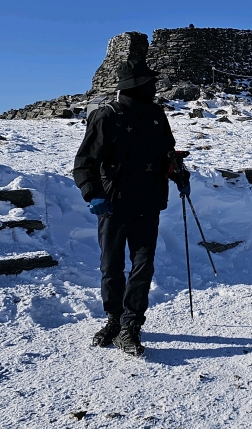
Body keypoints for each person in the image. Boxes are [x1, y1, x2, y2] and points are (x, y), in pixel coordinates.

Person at [73, 59, 190, 356]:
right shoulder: (106, 116)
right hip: (113, 204)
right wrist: (93, 194)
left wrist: (179, 173)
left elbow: (167, 153)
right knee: (111, 266)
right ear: (137, 85)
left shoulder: (155, 114)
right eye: (149, 82)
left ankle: (131, 325)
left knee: (143, 265)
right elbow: (85, 162)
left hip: (149, 201)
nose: (154, 86)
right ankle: (114, 319)